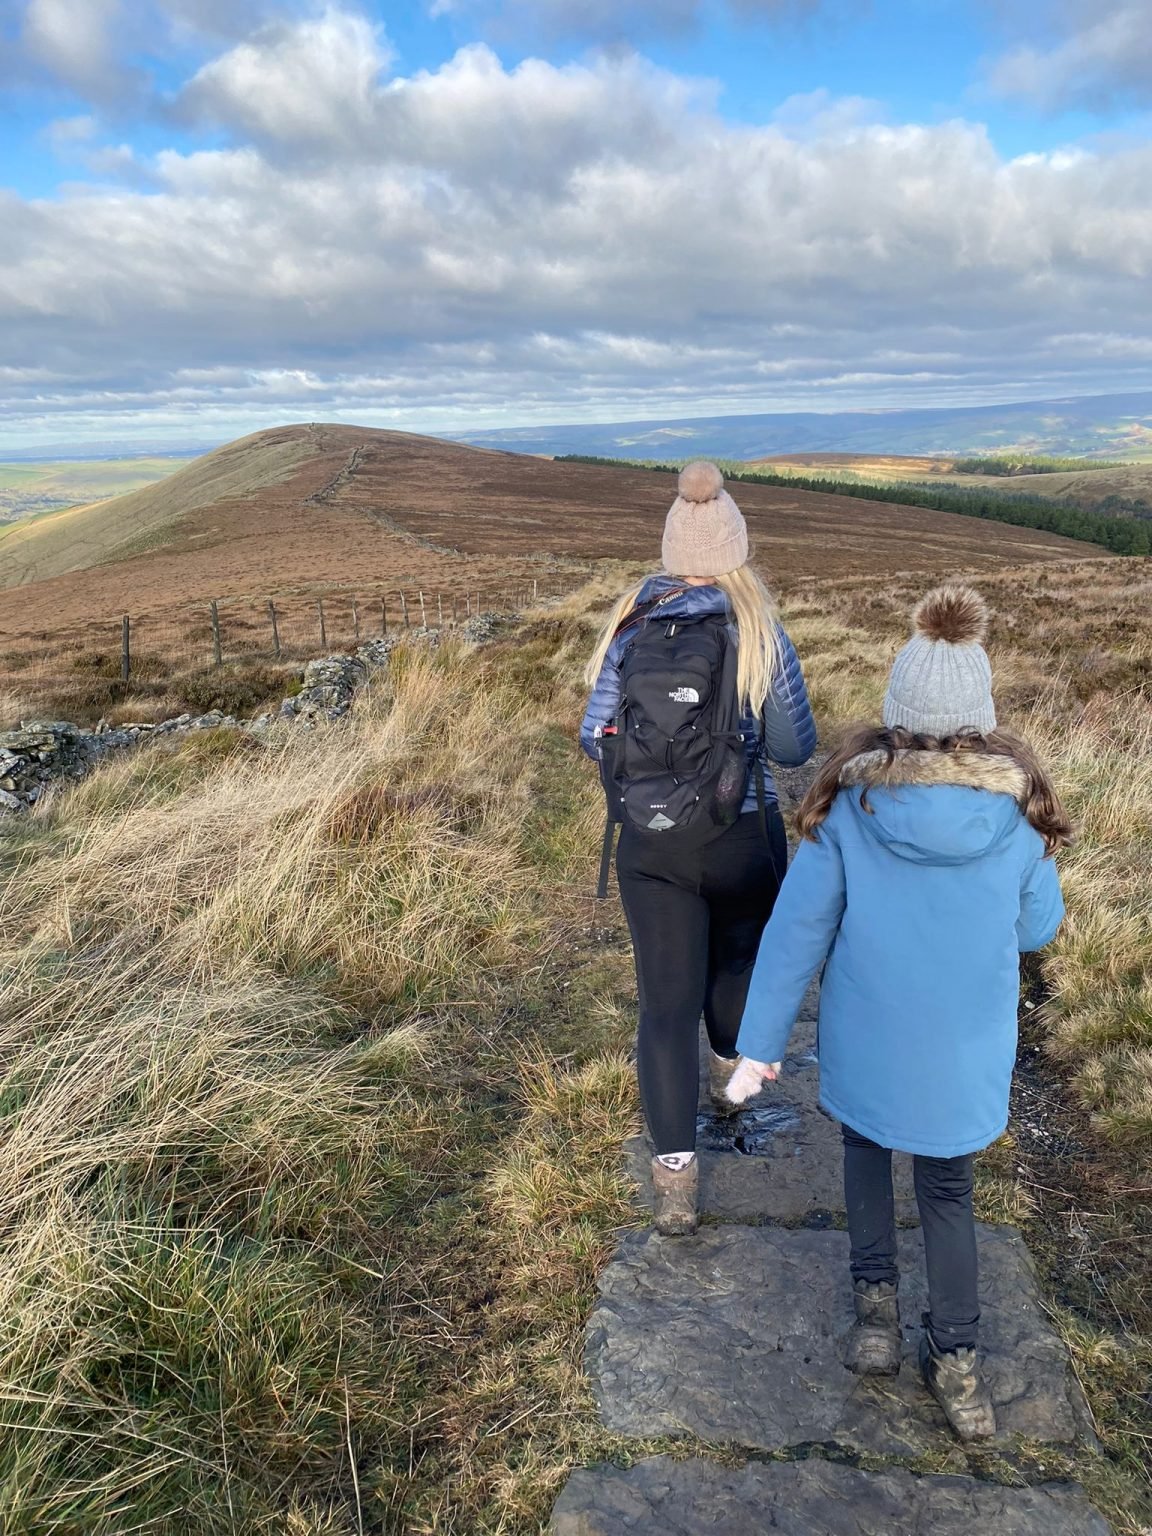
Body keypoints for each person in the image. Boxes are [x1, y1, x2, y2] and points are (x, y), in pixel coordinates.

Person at [727, 584, 1071, 1441]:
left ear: (897, 711)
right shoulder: (1015, 816)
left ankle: (874, 1318)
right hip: (965, 1048)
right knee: (949, 1190)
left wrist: (760, 1045)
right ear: (981, 716)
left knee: (866, 1154)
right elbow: (1039, 926)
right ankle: (956, 1360)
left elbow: (795, 932)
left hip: (868, 1034)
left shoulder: (849, 806)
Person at [580, 460, 816, 1236]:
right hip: (741, 834)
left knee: (661, 1008)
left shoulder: (631, 627)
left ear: (670, 547)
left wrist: (658, 781)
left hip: (649, 845)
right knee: (738, 963)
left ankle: (675, 1183)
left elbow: (594, 737)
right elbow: (791, 748)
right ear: (737, 551)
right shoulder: (758, 631)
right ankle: (727, 1073)